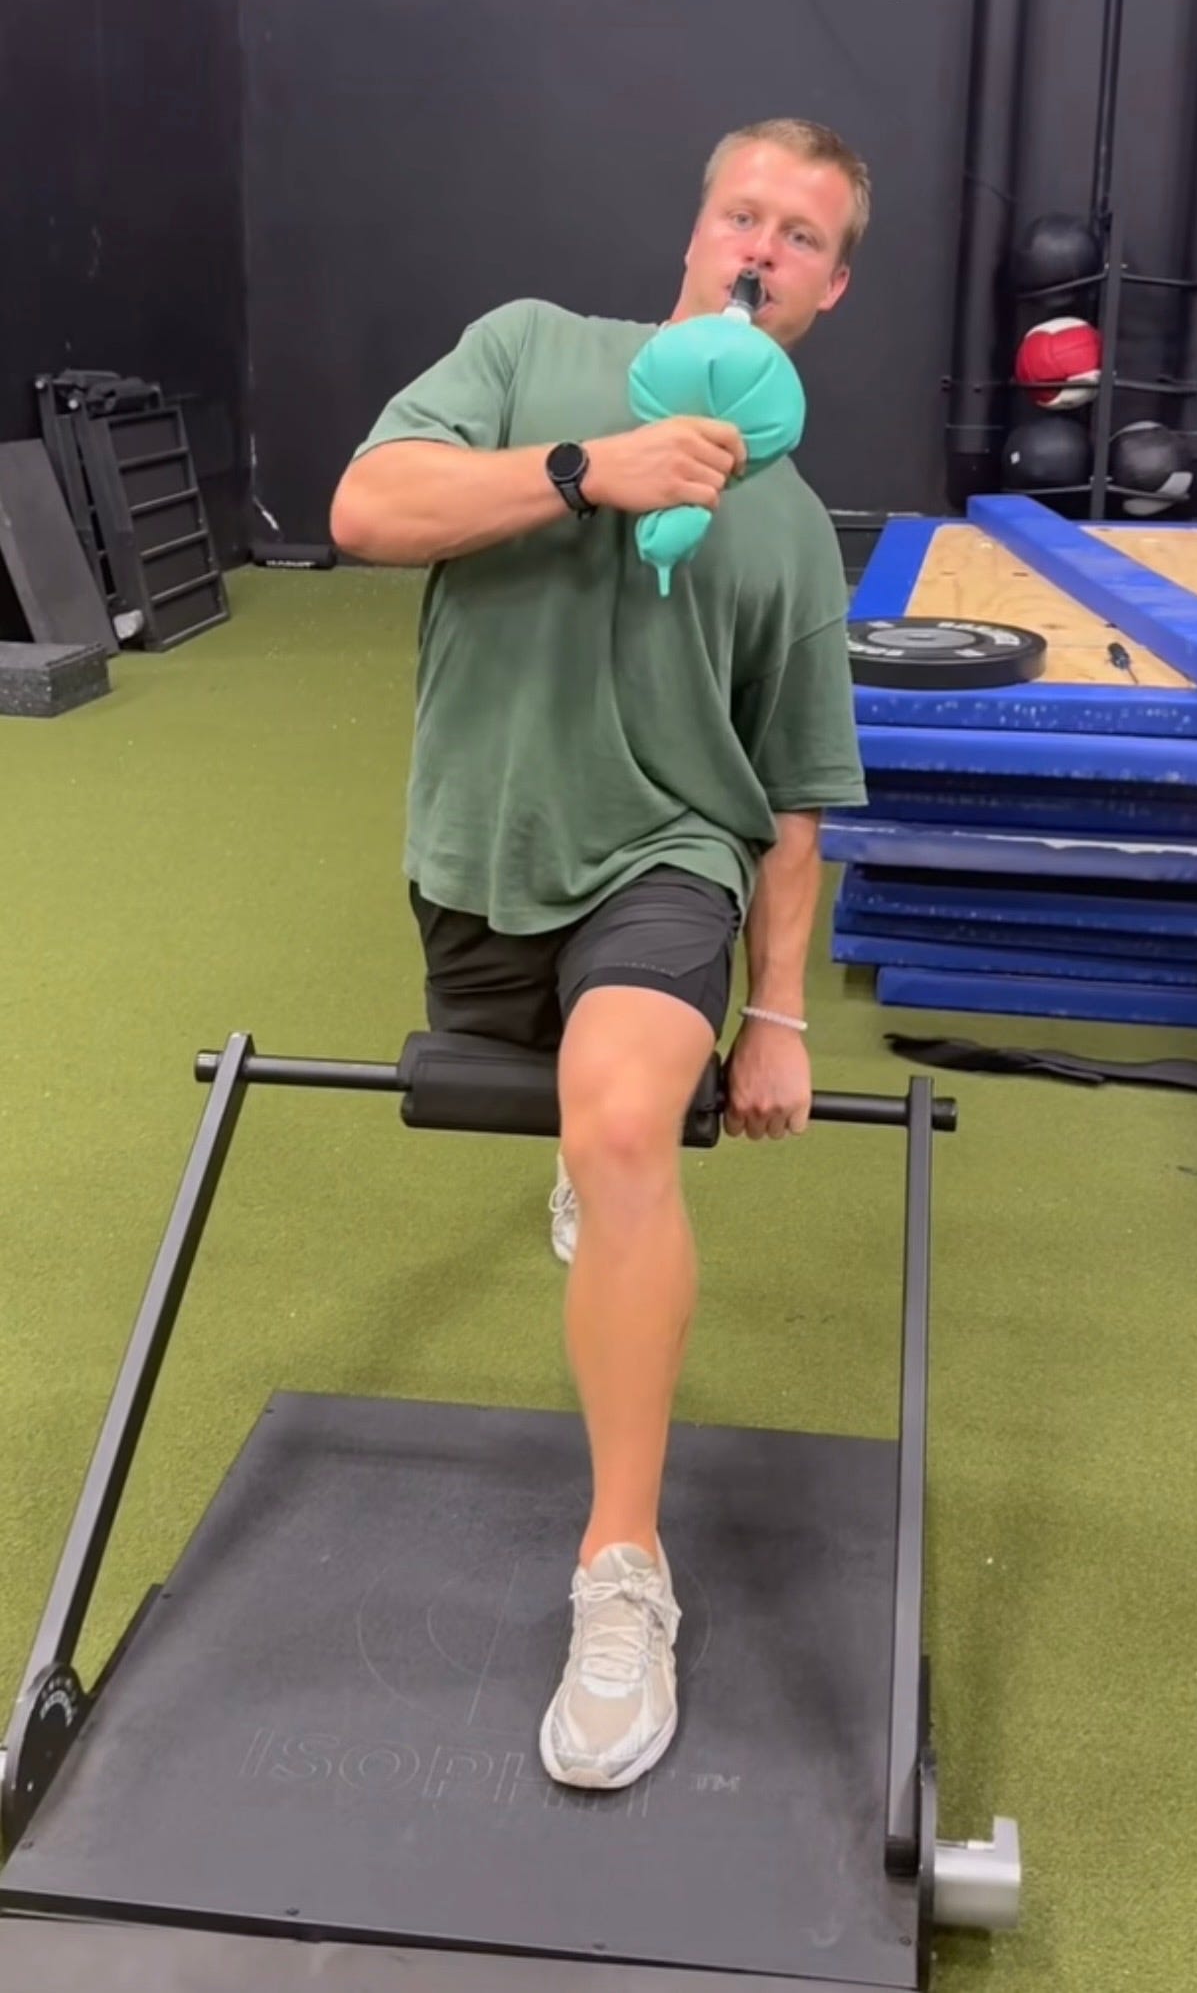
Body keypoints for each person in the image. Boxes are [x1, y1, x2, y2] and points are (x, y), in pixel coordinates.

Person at [329, 116, 870, 1793]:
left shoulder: (796, 529)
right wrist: (585, 471)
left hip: (666, 862)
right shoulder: (529, 352)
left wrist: (778, 1015)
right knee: (579, 1108)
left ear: (828, 292)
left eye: (801, 235)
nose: (761, 248)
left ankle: (622, 1568)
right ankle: (588, 1151)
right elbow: (364, 509)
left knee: (628, 1122)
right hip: (482, 866)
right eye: (743, 215)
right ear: (697, 237)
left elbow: (790, 797)